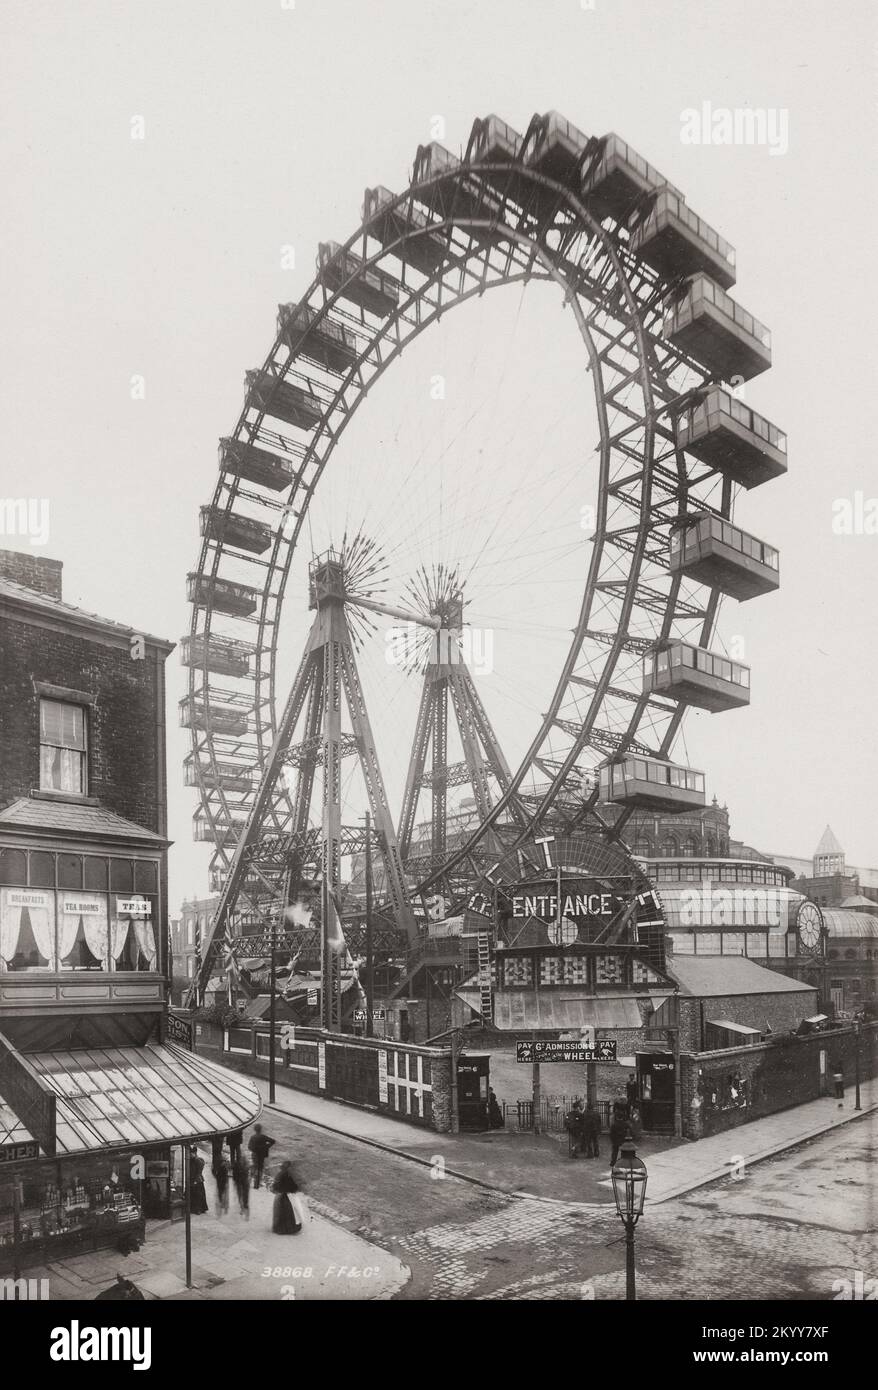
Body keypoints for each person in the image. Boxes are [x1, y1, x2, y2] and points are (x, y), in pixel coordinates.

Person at [271, 1161, 302, 1235]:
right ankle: (286, 1229)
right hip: (284, 1195)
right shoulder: (287, 1175)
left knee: (281, 1212)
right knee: (287, 1211)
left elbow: (275, 1186)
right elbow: (292, 1186)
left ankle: (279, 1228)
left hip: (281, 1195)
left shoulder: (281, 1174)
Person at [248, 1123, 275, 1189]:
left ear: (254, 1129)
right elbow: (273, 1141)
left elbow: (249, 1147)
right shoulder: (263, 1137)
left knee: (254, 1167)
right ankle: (257, 1184)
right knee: (260, 1169)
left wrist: (255, 1149)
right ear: (261, 1129)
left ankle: (249, 1182)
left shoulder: (252, 1137)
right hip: (261, 1155)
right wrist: (266, 1147)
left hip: (254, 1155)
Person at [188, 1148, 209, 1215]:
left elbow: (199, 1172)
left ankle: (199, 1209)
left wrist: (196, 1181)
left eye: (191, 1154)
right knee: (194, 1195)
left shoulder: (198, 1160)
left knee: (198, 1195)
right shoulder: (191, 1160)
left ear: (194, 1153)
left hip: (198, 1180)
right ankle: (195, 1209)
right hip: (192, 1179)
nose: (190, 1155)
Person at [232, 1154, 250, 1219]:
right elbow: (234, 1174)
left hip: (243, 1182)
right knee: (241, 1195)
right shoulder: (237, 1165)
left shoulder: (245, 1166)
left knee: (243, 1195)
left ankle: (244, 1207)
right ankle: (243, 1207)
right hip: (240, 1182)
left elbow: (246, 1174)